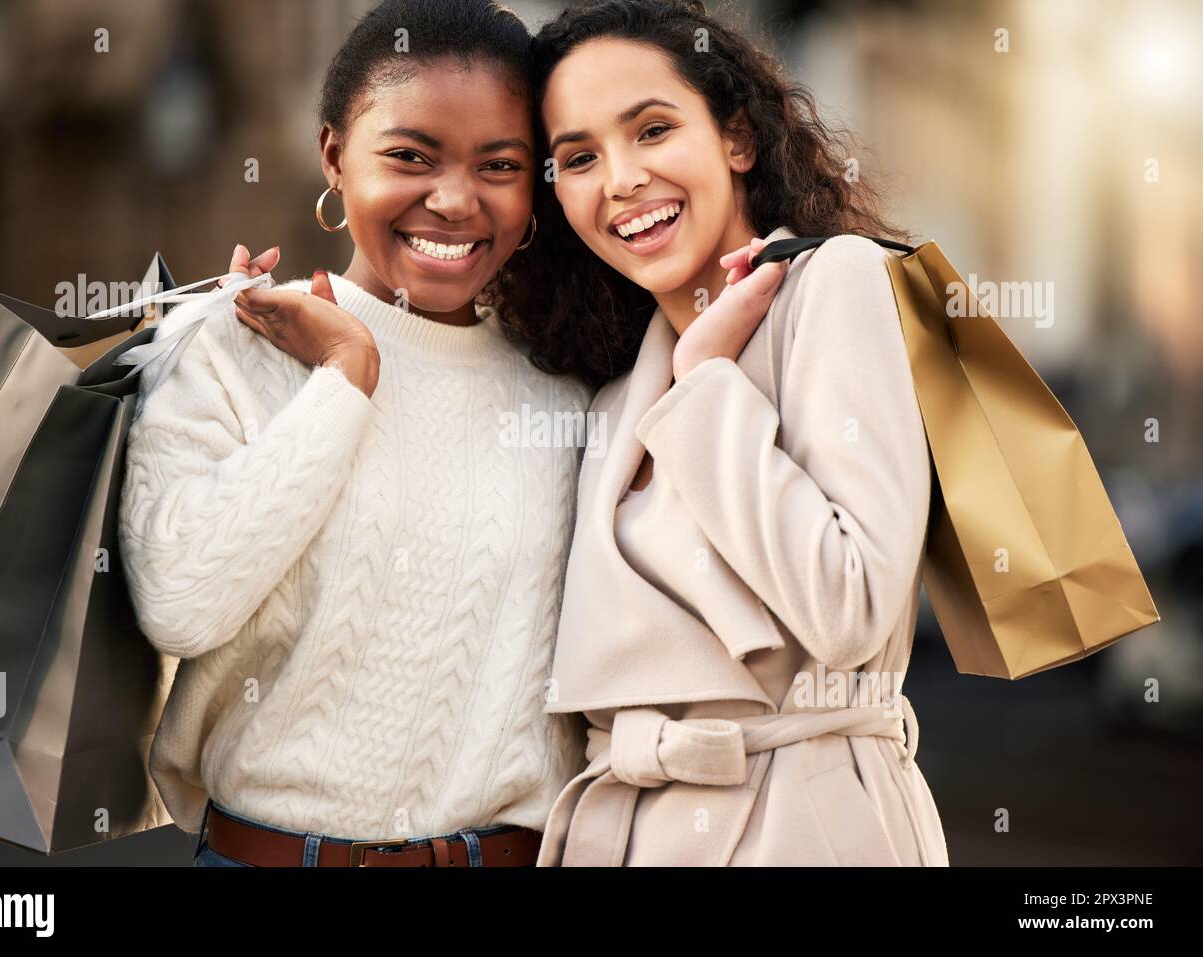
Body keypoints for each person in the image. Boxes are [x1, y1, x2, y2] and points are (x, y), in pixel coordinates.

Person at [118, 0, 594, 868]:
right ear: (335, 154)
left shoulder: (567, 390)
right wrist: (346, 375)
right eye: (410, 156)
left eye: (500, 164)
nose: (453, 199)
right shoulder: (228, 345)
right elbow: (181, 602)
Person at [499, 0, 950, 866]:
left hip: (802, 826)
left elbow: (850, 603)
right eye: (579, 157)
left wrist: (708, 382)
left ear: (738, 139)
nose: (621, 179)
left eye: (653, 129)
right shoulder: (616, 394)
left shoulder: (836, 285)